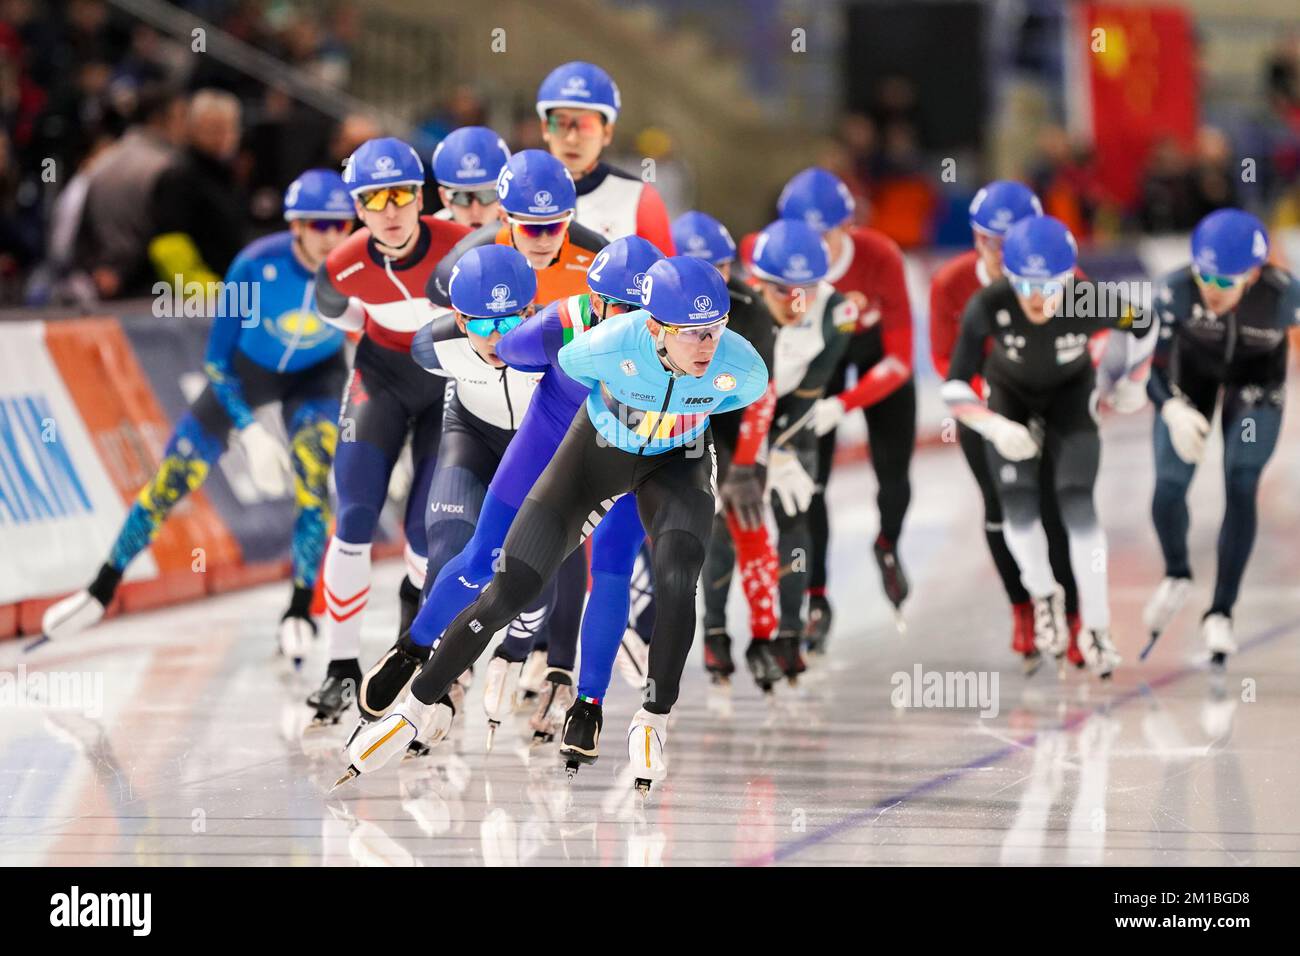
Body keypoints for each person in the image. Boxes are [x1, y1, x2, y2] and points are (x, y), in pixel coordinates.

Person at [336, 256, 768, 794]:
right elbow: (524, 358)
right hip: (597, 449)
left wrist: (713, 449)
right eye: (692, 335)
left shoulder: (742, 366)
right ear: (654, 326)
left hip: (675, 460)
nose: (708, 348)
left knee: (678, 576)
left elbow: (739, 400)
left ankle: (651, 717)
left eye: (715, 331)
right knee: (509, 585)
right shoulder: (603, 341)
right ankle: (419, 703)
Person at [355, 236, 666, 757]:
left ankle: (586, 703)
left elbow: (733, 389)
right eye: (612, 306)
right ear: (592, 300)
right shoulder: (559, 323)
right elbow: (511, 350)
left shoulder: (688, 342)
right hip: (555, 444)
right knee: (483, 556)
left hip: (634, 453)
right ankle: (412, 648)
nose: (625, 320)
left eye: (639, 310)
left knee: (610, 568)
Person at [41, 169, 356, 657]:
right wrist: (249, 431)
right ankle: (100, 588)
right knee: (173, 477)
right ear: (296, 225)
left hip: (317, 375)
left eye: (342, 224)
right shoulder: (255, 266)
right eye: (320, 224)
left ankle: (297, 607)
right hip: (246, 373)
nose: (332, 236)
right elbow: (216, 360)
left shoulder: (354, 267)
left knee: (313, 475)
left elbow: (376, 336)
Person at [423, 148, 609, 714]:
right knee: (459, 544)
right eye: (529, 225)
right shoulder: (475, 256)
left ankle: (555, 661)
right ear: (505, 218)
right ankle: (443, 663)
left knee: (564, 538)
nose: (543, 236)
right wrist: (478, 356)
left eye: (555, 225)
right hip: (481, 412)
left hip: (555, 415)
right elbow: (434, 317)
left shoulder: (595, 256)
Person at [942, 216, 1154, 678]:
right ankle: (1044, 596)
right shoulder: (989, 304)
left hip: (1070, 399)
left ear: (1070, 280)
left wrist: (1135, 381)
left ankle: (1096, 625)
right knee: (1015, 504)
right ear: (1007, 277)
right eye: (1023, 284)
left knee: (1078, 505)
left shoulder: (1088, 301)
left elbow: (1146, 322)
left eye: (1049, 286)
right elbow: (953, 386)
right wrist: (994, 426)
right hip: (1009, 400)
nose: (1036, 297)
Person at [307, 137, 469, 724]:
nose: (391, 211)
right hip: (380, 376)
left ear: (422, 196)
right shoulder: (343, 263)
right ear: (358, 208)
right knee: (352, 515)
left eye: (401, 194)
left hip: (446, 384)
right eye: (374, 200)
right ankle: (339, 667)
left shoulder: (460, 247)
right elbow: (335, 310)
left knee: (428, 531)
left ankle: (419, 646)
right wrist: (379, 335)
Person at [743, 167, 915, 643]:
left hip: (873, 354)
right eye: (805, 234)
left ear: (848, 227)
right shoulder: (768, 250)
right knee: (810, 486)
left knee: (894, 474)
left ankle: (888, 542)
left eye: (828, 235)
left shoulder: (880, 255)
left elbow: (901, 360)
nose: (815, 246)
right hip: (822, 359)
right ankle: (816, 599)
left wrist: (845, 404)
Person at [395, 243, 544, 751]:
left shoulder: (561, 343)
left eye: (511, 323)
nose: (498, 339)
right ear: (459, 320)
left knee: (537, 565)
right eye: (482, 326)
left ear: (532, 312)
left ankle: (526, 649)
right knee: (449, 547)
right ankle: (440, 681)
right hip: (472, 437)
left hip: (539, 445)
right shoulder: (431, 347)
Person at [929, 181, 1083, 670]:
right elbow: (942, 358)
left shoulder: (1065, 276)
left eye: (1009, 241)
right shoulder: (952, 284)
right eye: (988, 242)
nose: (999, 253)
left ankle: (1073, 619)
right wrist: (990, 411)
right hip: (986, 410)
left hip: (1049, 401)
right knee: (1001, 505)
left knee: (1056, 507)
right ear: (974, 238)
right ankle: (1023, 608)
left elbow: (1090, 340)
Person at [1143, 209, 1300, 665]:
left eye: (1226, 282)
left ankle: (1221, 612)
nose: (1212, 290)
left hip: (1256, 386)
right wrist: (1170, 407)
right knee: (1169, 486)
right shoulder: (1174, 290)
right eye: (1205, 276)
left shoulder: (1284, 296)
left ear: (1253, 275)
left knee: (1242, 481)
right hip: (1191, 381)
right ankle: (1176, 573)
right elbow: (1150, 367)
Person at [673, 210, 781, 691]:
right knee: (706, 527)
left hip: (735, 421)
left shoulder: (752, 308)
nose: (711, 281)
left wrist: (745, 465)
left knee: (749, 520)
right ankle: (713, 632)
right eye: (699, 267)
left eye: (720, 267)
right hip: (682, 419)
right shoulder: (652, 306)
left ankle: (764, 636)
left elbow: (765, 394)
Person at [749, 218, 858, 681]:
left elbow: (813, 387)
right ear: (758, 285)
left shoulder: (838, 312)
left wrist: (785, 450)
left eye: (806, 292)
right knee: (734, 525)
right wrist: (752, 452)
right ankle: (727, 634)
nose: (796, 304)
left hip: (795, 416)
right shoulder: (737, 306)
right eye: (783, 292)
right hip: (741, 412)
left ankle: (791, 631)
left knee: (795, 516)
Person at [536, 60, 674, 253]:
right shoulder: (515, 189)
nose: (573, 138)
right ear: (545, 127)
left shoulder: (639, 198)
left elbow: (666, 279)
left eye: (587, 126)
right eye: (561, 123)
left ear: (607, 132)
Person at [146, 89, 248, 289]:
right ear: (192, 129)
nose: (224, 136)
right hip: (200, 304)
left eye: (230, 127)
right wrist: (210, 291)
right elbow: (168, 248)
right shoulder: (179, 177)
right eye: (214, 128)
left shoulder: (229, 176)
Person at [430, 125, 511, 229]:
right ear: (444, 198)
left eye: (487, 195)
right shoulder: (427, 238)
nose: (475, 212)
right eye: (462, 198)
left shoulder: (523, 236)